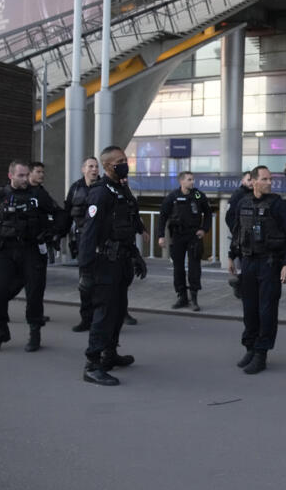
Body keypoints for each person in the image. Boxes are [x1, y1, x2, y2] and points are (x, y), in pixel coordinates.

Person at [0, 160, 65, 352]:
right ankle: (1, 330)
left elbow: (60, 214)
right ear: (11, 176)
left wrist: (53, 233)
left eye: (26, 175)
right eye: (21, 175)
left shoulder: (37, 195)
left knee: (34, 294)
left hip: (31, 250)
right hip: (6, 250)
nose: (25, 179)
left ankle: (34, 333)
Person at [78, 146, 148, 386]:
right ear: (107, 166)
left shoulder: (122, 189)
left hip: (121, 261)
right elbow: (89, 233)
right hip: (104, 263)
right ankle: (92, 364)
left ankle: (110, 354)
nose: (124, 163)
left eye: (125, 159)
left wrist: (136, 256)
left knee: (118, 311)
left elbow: (126, 228)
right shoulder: (100, 193)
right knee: (104, 313)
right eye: (119, 161)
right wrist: (86, 270)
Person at [227, 166, 286, 374]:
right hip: (248, 262)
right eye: (265, 179)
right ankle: (250, 348)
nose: (269, 182)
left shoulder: (278, 205)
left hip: (270, 263)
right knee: (249, 309)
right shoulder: (243, 202)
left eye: (270, 178)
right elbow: (238, 232)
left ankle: (261, 354)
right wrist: (232, 256)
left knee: (266, 311)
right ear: (254, 181)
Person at [158, 171, 212, 311]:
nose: (192, 182)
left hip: (194, 235)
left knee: (194, 268)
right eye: (189, 179)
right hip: (177, 236)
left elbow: (208, 214)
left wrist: (204, 229)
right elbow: (163, 216)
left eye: (193, 179)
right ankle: (182, 297)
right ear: (181, 181)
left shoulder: (198, 195)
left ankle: (194, 298)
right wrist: (161, 236)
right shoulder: (173, 196)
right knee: (178, 268)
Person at [64, 157, 100, 332]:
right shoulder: (76, 188)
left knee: (102, 281)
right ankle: (86, 319)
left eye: (96, 166)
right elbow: (66, 213)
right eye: (91, 166)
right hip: (82, 240)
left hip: (101, 240)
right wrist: (58, 234)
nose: (94, 169)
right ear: (83, 169)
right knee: (85, 282)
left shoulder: (105, 188)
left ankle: (102, 318)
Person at [225, 171, 253, 300]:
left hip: (253, 238)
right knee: (247, 265)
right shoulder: (238, 195)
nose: (251, 182)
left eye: (253, 179)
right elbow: (229, 217)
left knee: (250, 267)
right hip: (243, 238)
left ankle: (241, 285)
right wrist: (238, 232)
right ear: (243, 181)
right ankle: (241, 287)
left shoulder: (256, 195)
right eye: (249, 179)